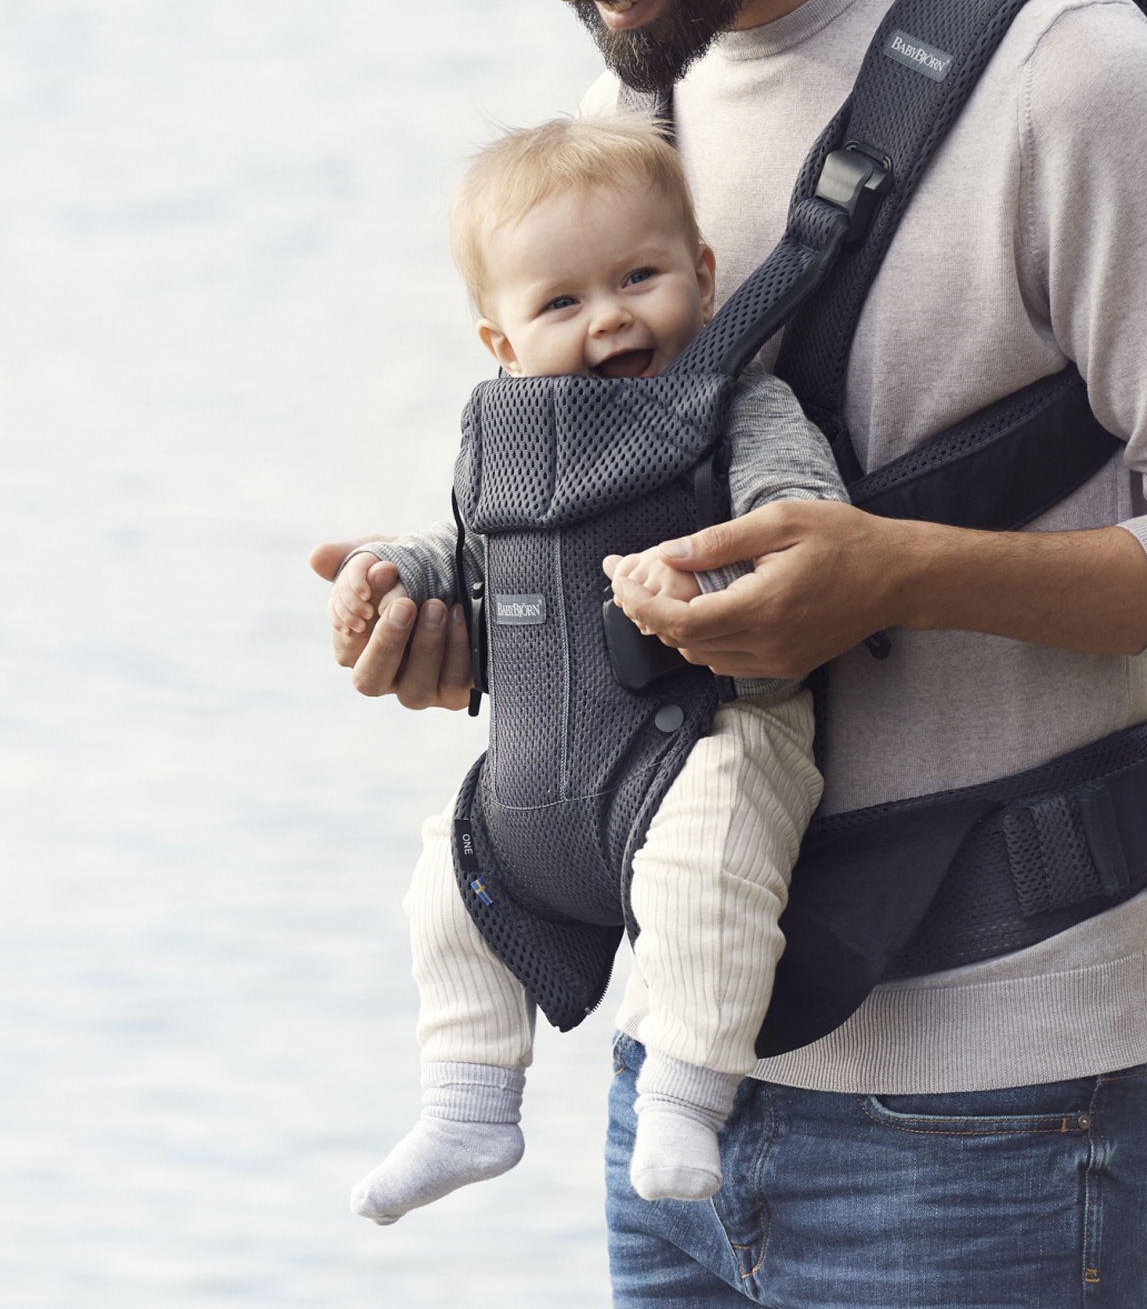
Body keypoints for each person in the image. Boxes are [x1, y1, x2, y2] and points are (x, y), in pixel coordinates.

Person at [309, 0, 1147, 1300]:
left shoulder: (1070, 78)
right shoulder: (640, 88)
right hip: (674, 1092)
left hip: (996, 1112)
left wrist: (900, 576)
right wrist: (482, 635)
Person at [336, 114, 846, 1225]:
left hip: (712, 734)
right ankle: (467, 1101)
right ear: (503, 344)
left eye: (639, 277)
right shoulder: (503, 434)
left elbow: (804, 522)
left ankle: (683, 1095)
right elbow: (466, 549)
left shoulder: (736, 407)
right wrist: (389, 574)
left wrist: (718, 580)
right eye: (562, 303)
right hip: (542, 769)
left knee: (710, 874)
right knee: (444, 888)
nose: (610, 315)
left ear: (703, 279)